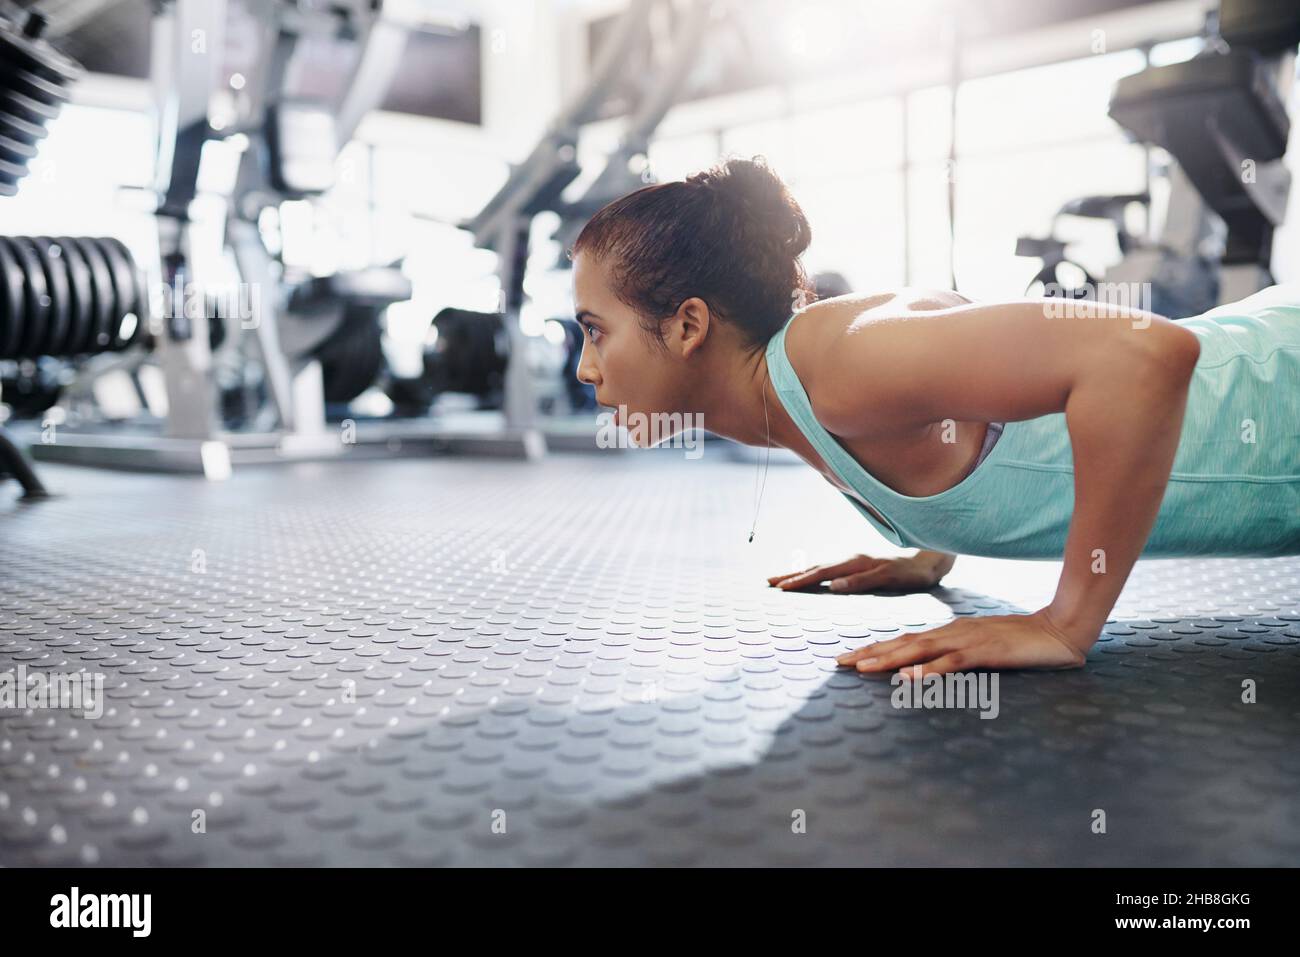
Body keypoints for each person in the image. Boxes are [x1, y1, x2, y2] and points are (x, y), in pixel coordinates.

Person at [569, 155, 1300, 677]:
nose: (585, 367)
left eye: (595, 329)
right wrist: (927, 544)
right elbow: (976, 429)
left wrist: (1065, 623)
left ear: (689, 324)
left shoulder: (842, 365)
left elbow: (1145, 355)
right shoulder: (796, 390)